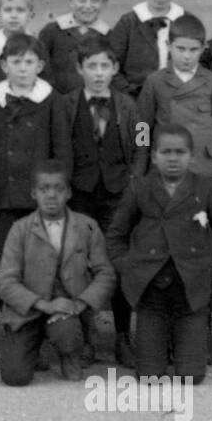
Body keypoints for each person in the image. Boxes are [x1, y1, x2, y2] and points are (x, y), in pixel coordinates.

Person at [105, 124, 212, 383]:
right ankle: (155, 347)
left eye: (180, 151)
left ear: (191, 155)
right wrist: (129, 268)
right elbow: (115, 236)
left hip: (192, 292)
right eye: (166, 152)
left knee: (191, 376)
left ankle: (189, 344)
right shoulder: (139, 188)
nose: (173, 158)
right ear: (154, 156)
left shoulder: (207, 189)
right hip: (151, 292)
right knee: (149, 376)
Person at [55, 34, 140, 366]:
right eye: (92, 66)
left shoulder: (130, 106)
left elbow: (143, 144)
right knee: (79, 264)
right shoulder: (65, 104)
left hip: (118, 195)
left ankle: (122, 336)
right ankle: (87, 335)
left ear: (115, 68)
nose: (99, 72)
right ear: (80, 69)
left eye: (106, 65)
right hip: (79, 196)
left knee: (118, 264)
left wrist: (135, 182)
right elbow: (58, 147)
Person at [0, 162, 116, 386]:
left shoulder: (87, 226)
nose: (51, 195)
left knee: (67, 336)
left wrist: (78, 305)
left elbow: (105, 275)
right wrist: (44, 305)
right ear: (33, 193)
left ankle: (69, 353)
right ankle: (30, 350)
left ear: (68, 192)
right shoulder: (20, 229)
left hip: (68, 310)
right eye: (44, 189)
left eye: (58, 189)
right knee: (14, 376)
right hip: (30, 310)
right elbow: (6, 283)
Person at [0, 32, 64, 258]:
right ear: (4, 65)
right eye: (16, 62)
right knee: (1, 259)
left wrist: (55, 191)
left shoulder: (52, 99)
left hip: (41, 197)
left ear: (40, 65)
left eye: (29, 62)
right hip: (3, 198)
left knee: (40, 261)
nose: (22, 68)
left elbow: (62, 150)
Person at [137, 13, 212, 182]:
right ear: (168, 45)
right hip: (164, 169)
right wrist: (142, 167)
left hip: (203, 169)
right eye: (180, 49)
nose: (187, 56)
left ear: (203, 48)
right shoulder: (155, 81)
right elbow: (141, 127)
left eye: (193, 50)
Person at [108, 0, 192, 99]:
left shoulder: (186, 21)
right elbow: (110, 62)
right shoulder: (129, 22)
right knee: (142, 123)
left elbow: (197, 61)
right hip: (136, 96)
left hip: (178, 98)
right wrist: (127, 91)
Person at [39, 0, 111, 96]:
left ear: (104, 2)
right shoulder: (52, 31)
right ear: (70, 0)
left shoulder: (108, 36)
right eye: (82, 0)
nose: (88, 6)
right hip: (55, 101)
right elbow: (41, 67)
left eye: (94, 0)